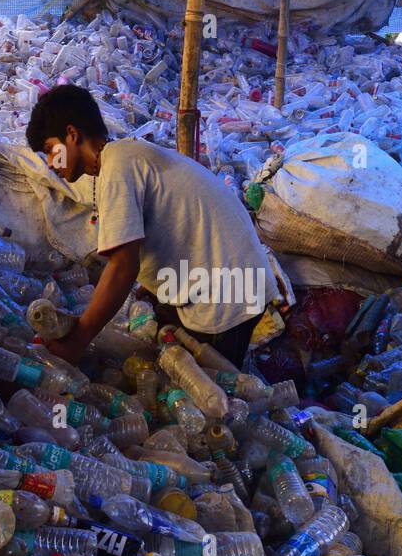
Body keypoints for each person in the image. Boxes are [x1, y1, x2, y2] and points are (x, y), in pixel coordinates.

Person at [25, 84, 280, 368]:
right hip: (237, 280)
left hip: (228, 295)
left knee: (206, 393)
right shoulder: (123, 157)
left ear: (72, 135)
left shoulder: (118, 169)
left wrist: (79, 339)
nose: (50, 163)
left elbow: (123, 265)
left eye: (51, 150)